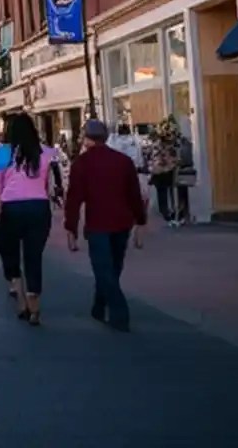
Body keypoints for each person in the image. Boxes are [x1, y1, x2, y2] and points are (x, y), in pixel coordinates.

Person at [64, 120, 147, 333]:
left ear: (86, 137)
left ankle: (119, 313)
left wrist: (71, 227)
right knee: (113, 267)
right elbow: (134, 195)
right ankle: (99, 306)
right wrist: (140, 221)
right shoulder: (123, 161)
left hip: (98, 223)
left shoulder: (82, 163)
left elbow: (74, 198)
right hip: (122, 222)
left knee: (103, 268)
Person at [0, 112, 58, 326]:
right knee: (33, 256)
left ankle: (20, 299)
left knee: (10, 253)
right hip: (38, 206)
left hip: (11, 207)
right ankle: (34, 303)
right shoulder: (46, 152)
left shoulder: (2, 154)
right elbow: (50, 182)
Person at [145, 116, 182, 227]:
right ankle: (168, 214)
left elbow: (154, 158)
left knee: (165, 194)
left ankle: (169, 214)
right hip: (163, 172)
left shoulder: (163, 145)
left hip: (163, 172)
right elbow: (159, 159)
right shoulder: (162, 145)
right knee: (165, 194)